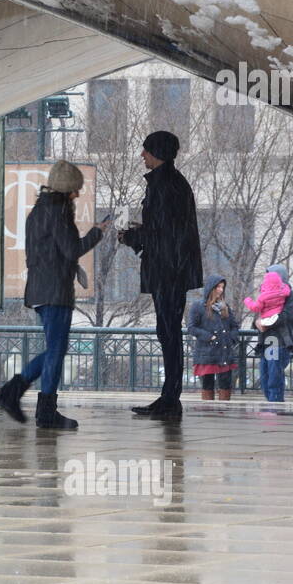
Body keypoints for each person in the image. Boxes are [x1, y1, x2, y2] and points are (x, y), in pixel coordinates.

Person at [0, 160, 109, 428]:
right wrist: (97, 233)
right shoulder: (58, 212)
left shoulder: (39, 211)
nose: (78, 195)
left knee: (55, 349)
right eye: (75, 190)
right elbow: (71, 249)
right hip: (55, 290)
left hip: (40, 288)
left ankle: (17, 394)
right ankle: (37, 405)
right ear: (66, 190)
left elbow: (50, 253)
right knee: (56, 350)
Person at [117, 131, 203, 420]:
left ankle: (170, 400)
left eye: (145, 151)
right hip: (171, 269)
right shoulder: (170, 183)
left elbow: (161, 232)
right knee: (167, 332)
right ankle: (168, 397)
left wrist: (130, 236)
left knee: (169, 332)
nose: (142, 155)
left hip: (169, 270)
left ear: (157, 152)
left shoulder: (165, 185)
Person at [188, 275, 239, 401]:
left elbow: (234, 326)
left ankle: (224, 414)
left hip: (224, 352)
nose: (221, 290)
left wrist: (231, 339)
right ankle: (208, 414)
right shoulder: (198, 306)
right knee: (207, 384)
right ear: (211, 288)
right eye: (218, 287)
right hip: (207, 352)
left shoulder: (224, 306)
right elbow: (191, 327)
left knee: (225, 384)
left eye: (222, 287)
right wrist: (209, 336)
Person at [256, 263, 293, 402]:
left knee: (274, 377)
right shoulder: (265, 295)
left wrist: (266, 322)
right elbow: (257, 317)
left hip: (279, 341)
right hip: (266, 341)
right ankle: (271, 402)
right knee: (264, 376)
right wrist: (258, 323)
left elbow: (286, 316)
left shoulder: (290, 296)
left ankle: (275, 405)